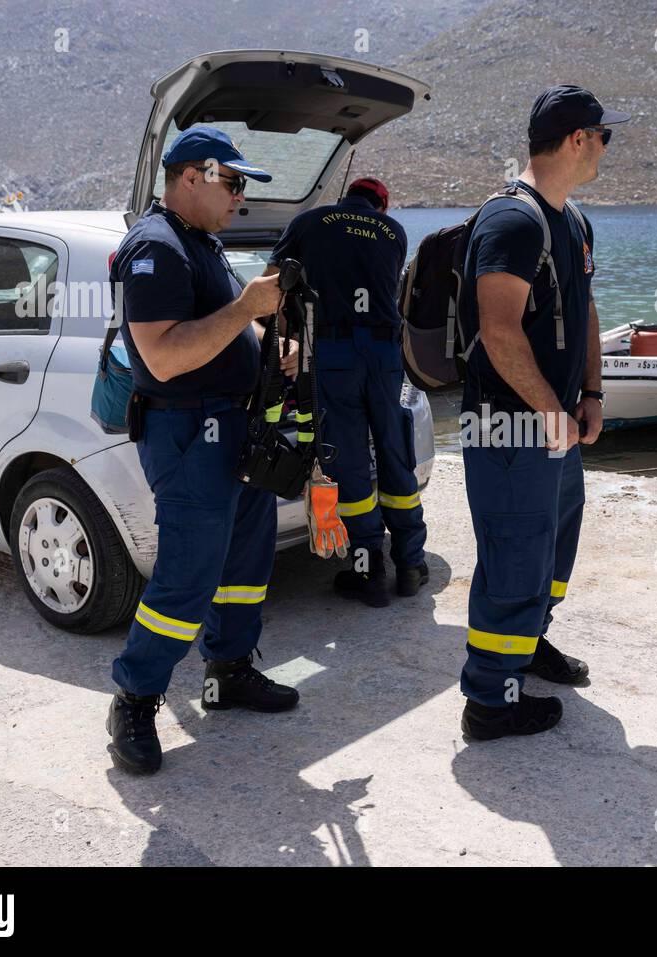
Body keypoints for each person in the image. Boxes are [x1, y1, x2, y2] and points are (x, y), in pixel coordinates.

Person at [107, 126, 300, 775]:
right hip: (189, 435)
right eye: (234, 182)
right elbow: (162, 356)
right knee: (187, 574)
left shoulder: (200, 244)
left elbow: (219, 326)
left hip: (233, 428)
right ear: (192, 176)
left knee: (245, 558)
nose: (239, 198)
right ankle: (134, 698)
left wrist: (265, 339)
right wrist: (248, 303)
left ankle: (230, 670)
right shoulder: (154, 248)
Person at [457, 85, 629, 740]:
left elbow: (583, 310)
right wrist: (552, 411)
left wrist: (591, 395)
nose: (608, 148)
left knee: (552, 549)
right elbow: (499, 331)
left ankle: (528, 644)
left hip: (554, 422)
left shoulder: (573, 219)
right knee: (512, 557)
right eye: (603, 135)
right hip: (509, 424)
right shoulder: (512, 220)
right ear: (578, 139)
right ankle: (489, 701)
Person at [266, 176, 427, 606]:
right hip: (383, 352)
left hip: (336, 353)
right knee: (394, 448)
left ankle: (368, 571)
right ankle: (410, 563)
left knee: (350, 456)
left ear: (344, 198)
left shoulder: (310, 221)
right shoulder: (394, 232)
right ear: (383, 206)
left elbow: (272, 287)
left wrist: (281, 338)